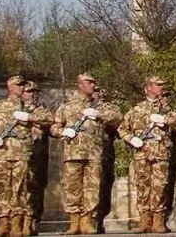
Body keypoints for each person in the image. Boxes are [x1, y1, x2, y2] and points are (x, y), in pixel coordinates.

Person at [0, 75, 51, 237]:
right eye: (18, 85)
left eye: (22, 85)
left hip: (22, 154)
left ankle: (17, 224)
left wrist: (30, 117)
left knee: (20, 189)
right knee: (1, 188)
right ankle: (3, 223)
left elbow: (49, 119)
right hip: (1, 154)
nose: (21, 88)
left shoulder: (30, 108)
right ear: (9, 87)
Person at [50, 73, 122, 235]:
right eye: (89, 82)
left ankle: (87, 221)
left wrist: (99, 114)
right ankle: (74, 222)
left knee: (93, 188)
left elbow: (118, 117)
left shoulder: (100, 106)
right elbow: (54, 127)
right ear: (80, 85)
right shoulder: (67, 106)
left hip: (95, 153)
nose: (93, 85)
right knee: (72, 187)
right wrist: (63, 131)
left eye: (93, 82)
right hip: (73, 153)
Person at [119, 77, 176, 233]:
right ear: (149, 88)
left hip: (161, 154)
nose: (162, 88)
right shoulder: (137, 109)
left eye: (163, 85)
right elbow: (122, 128)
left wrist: (167, 119)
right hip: (142, 154)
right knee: (143, 187)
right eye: (159, 85)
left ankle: (158, 221)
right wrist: (132, 139)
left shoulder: (168, 109)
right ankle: (144, 220)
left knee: (160, 187)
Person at [22, 82, 51, 236]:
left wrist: (30, 117)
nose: (31, 94)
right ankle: (15, 221)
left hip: (38, 157)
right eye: (28, 91)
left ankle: (33, 220)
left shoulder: (42, 111)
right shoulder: (13, 110)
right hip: (19, 156)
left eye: (34, 91)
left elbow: (50, 122)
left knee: (36, 188)